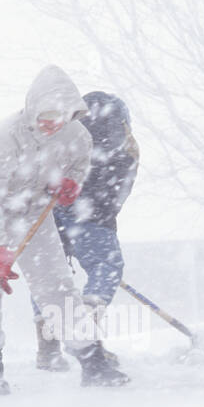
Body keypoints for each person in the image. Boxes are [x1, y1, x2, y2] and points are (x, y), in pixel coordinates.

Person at [0, 66, 131, 393]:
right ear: (33, 108)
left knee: (56, 282)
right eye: (46, 114)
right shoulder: (4, 138)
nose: (52, 122)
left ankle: (92, 361)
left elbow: (79, 164)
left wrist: (71, 183)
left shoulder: (77, 134)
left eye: (60, 115)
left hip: (33, 207)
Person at [34, 91, 139, 372]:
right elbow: (118, 193)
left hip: (51, 212)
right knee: (106, 267)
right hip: (94, 216)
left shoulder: (61, 137)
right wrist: (99, 221)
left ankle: (48, 349)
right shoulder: (125, 146)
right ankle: (87, 340)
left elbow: (41, 175)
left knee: (48, 276)